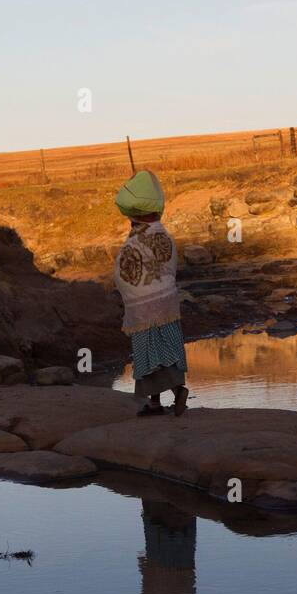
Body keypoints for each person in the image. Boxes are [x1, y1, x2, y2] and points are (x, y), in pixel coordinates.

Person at [114, 170, 189, 417]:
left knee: (148, 354)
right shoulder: (163, 235)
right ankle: (174, 393)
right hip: (167, 303)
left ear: (133, 218)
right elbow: (171, 266)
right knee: (169, 348)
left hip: (144, 309)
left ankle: (160, 401)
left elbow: (127, 274)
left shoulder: (134, 242)